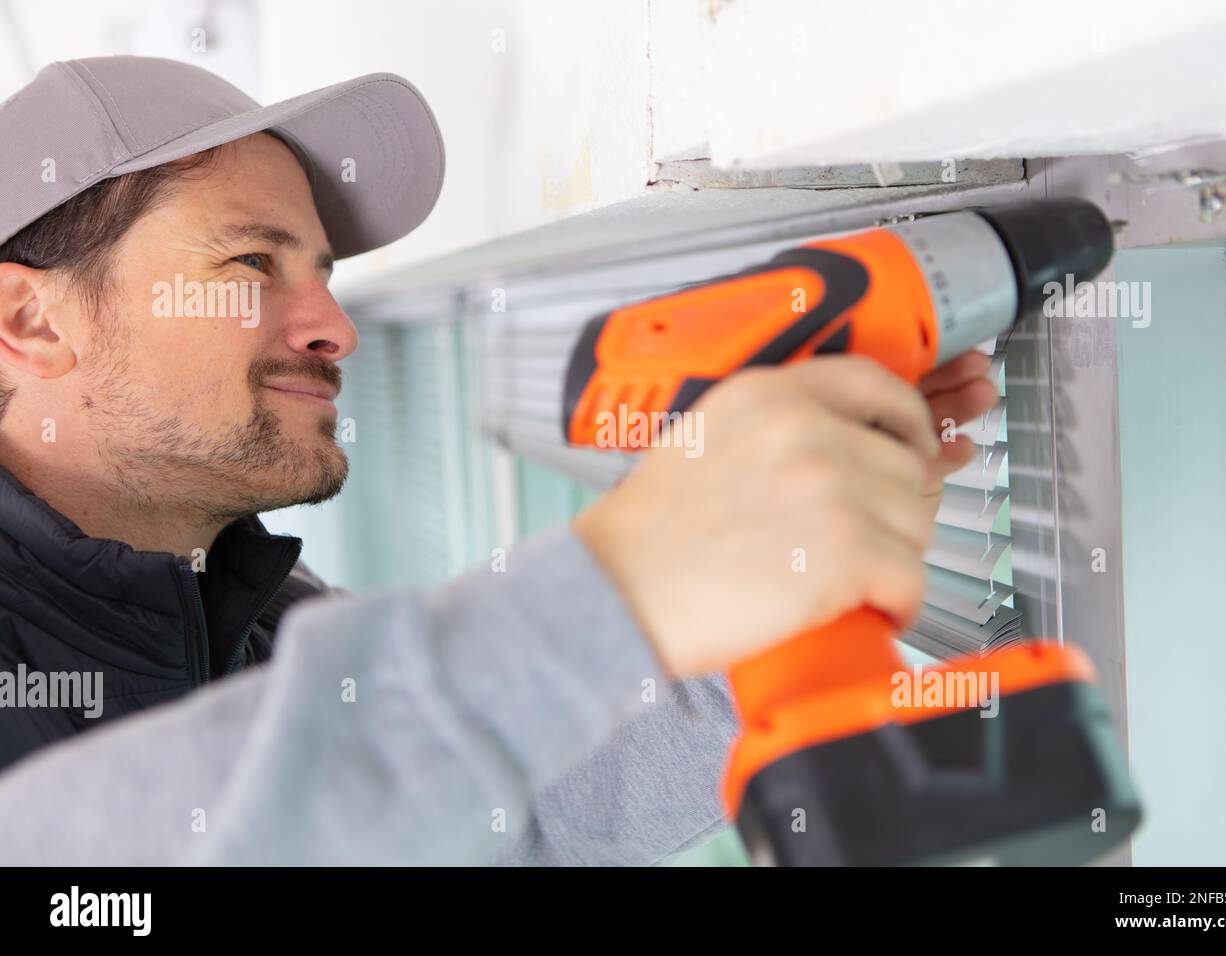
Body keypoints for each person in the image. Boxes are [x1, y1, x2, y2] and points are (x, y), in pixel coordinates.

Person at [0, 56, 997, 863]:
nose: (336, 328)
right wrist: (617, 583)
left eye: (324, 275)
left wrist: (782, 559)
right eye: (253, 263)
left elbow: (518, 818)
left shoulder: (257, 607)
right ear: (30, 320)